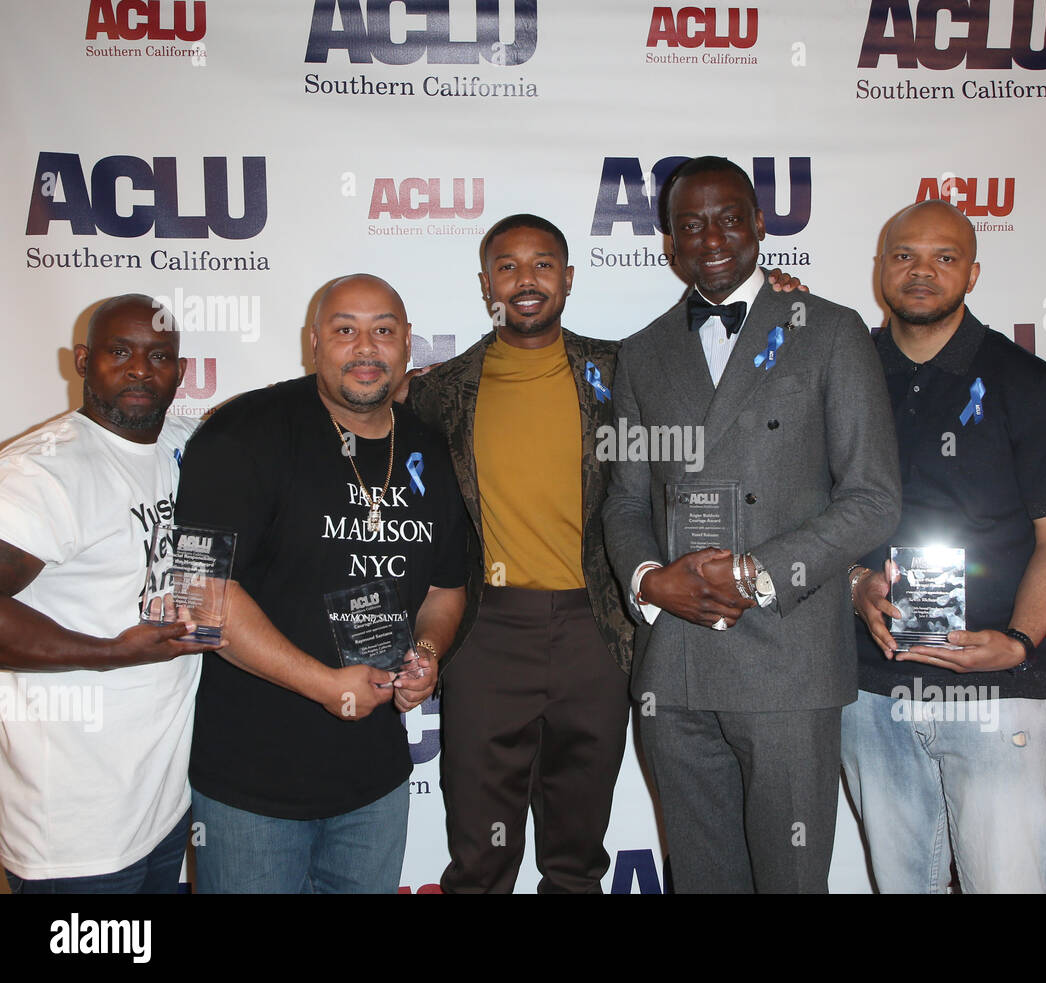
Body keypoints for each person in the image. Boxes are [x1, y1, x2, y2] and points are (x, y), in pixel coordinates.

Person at [602, 156, 901, 893]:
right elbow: (626, 502)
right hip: (673, 666)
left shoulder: (830, 332)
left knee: (792, 880)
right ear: (668, 243)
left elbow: (872, 498)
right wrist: (651, 580)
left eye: (730, 217)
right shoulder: (639, 355)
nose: (712, 237)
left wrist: (753, 573)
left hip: (789, 660)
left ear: (761, 225)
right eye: (690, 224)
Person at [175, 274, 467, 893]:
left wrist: (428, 652)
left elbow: (445, 588)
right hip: (252, 784)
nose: (366, 348)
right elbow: (201, 590)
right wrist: (326, 686)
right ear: (314, 342)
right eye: (344, 330)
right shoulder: (244, 433)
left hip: (375, 782)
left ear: (407, 343)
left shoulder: (431, 451)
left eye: (383, 330)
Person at [843, 199, 1046, 893]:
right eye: (904, 256)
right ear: (879, 269)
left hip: (997, 689)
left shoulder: (1029, 384)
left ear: (973, 273)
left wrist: (1018, 639)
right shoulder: (844, 372)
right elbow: (813, 517)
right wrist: (856, 581)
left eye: (944, 257)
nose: (922, 272)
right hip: (871, 689)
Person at [404, 214, 633, 893]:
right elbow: (350, 393)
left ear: (567, 277)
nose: (525, 279)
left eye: (542, 264)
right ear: (485, 285)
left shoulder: (623, 370)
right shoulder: (442, 390)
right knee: (480, 857)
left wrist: (779, 297)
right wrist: (245, 411)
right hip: (486, 633)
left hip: (597, 629)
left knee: (577, 858)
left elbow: (718, 369)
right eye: (508, 266)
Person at [0, 293, 220, 893]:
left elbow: (276, 422)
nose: (140, 370)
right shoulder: (42, 473)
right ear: (81, 360)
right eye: (119, 352)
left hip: (163, 807)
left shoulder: (184, 442)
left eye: (159, 356)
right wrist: (111, 652)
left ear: (180, 369)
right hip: (73, 831)